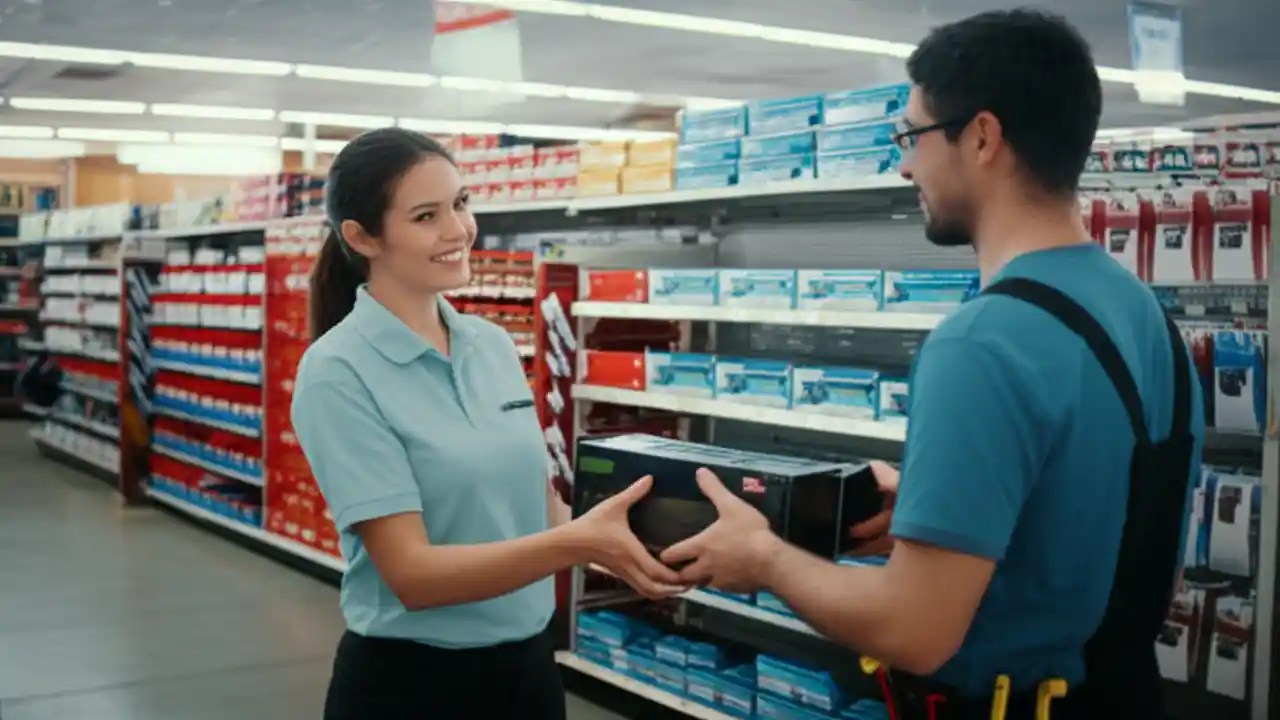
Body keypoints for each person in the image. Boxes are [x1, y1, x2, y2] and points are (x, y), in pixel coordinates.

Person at [659, 10, 1203, 719]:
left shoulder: (982, 342)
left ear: (981, 137)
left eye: (910, 136)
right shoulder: (1148, 317)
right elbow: (1098, 529)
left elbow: (913, 632)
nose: (904, 162)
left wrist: (763, 559)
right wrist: (938, 507)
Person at [290, 127, 681, 720]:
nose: (458, 230)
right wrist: (578, 541)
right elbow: (413, 576)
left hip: (528, 674)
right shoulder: (337, 372)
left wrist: (635, 548)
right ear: (362, 236)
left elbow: (535, 503)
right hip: (412, 687)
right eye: (426, 215)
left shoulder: (491, 344)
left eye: (461, 203)